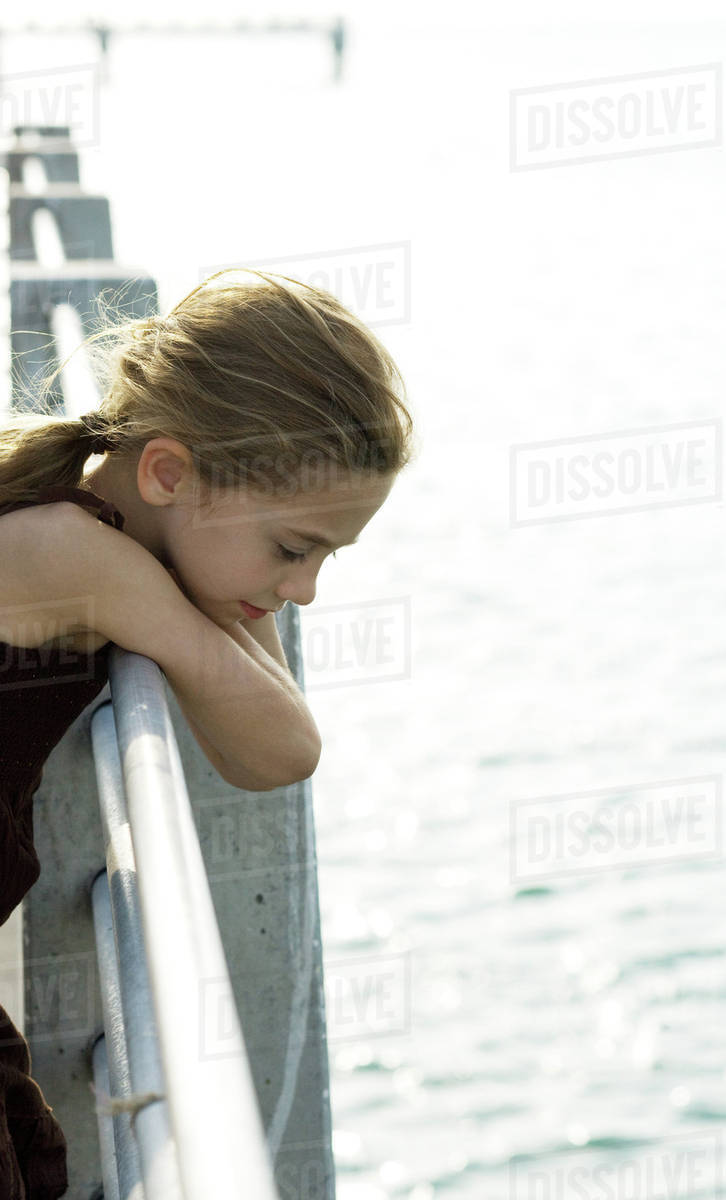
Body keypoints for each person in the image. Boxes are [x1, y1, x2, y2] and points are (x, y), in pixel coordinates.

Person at [0, 267, 417, 1197]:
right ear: (167, 471)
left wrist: (234, 569)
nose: (303, 589)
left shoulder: (106, 517)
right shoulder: (79, 557)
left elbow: (264, 747)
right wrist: (224, 601)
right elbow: (284, 749)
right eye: (292, 547)